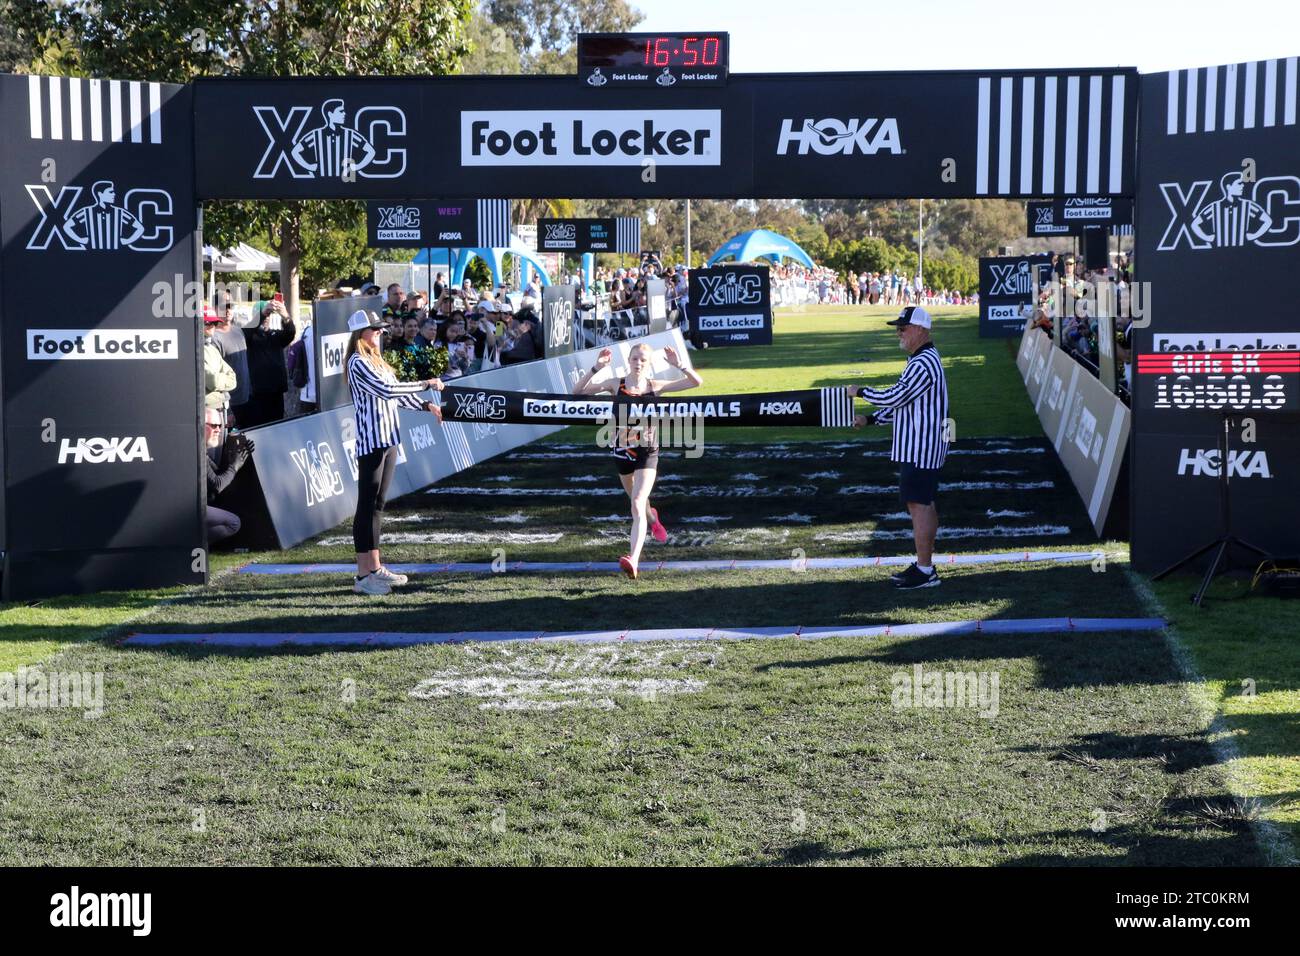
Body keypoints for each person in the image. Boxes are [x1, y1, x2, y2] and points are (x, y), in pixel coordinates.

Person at [572, 343, 703, 580]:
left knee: (637, 502)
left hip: (647, 451)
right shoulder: (616, 384)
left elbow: (696, 382)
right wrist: (596, 367)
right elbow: (576, 392)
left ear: (649, 362)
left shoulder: (654, 386)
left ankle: (633, 559)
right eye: (635, 358)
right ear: (629, 360)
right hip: (621, 452)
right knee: (638, 503)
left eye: (643, 359)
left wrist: (680, 365)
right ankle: (653, 518)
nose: (639, 363)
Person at [849, 305, 950, 590]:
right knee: (921, 503)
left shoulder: (923, 363)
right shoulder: (920, 360)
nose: (899, 333)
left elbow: (896, 396)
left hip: (921, 446)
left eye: (903, 328)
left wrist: (862, 392)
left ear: (920, 330)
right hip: (920, 445)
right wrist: (869, 419)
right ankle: (924, 566)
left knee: (920, 504)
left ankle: (925, 569)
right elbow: (904, 405)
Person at [345, 310, 445, 596]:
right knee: (366, 505)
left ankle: (375, 568)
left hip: (388, 439)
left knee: (377, 505)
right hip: (372, 441)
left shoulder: (376, 360)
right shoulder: (357, 362)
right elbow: (388, 390)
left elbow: (398, 394)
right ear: (360, 333)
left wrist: (426, 405)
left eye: (379, 329)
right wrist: (427, 383)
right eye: (373, 329)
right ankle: (363, 575)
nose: (379, 332)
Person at [238, 298, 296, 427]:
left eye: (269, 315)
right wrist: (263, 313)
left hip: (276, 392)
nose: (267, 318)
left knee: (276, 427)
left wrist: (285, 315)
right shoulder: (247, 336)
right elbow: (245, 333)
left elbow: (290, 333)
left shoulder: (275, 335)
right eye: (265, 315)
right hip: (257, 394)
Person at [204, 407, 254, 545]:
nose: (218, 430)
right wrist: (234, 466)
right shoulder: (196, 451)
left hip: (198, 505)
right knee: (233, 523)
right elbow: (218, 485)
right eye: (213, 426)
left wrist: (236, 455)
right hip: (186, 510)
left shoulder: (201, 450)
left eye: (221, 426)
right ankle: (193, 543)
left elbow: (218, 475)